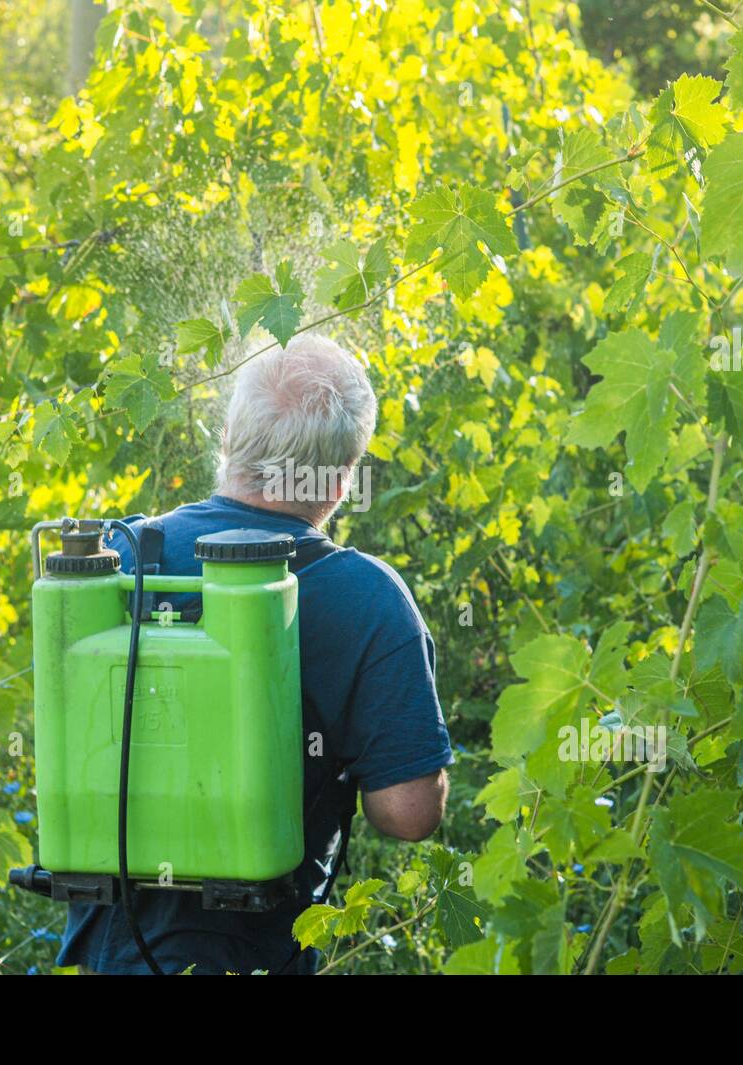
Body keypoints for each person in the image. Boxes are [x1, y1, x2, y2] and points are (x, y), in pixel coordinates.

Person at [57, 334, 453, 974]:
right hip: (260, 953)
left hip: (109, 946)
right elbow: (407, 814)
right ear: (343, 475)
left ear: (230, 438)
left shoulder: (121, 553)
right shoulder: (370, 600)